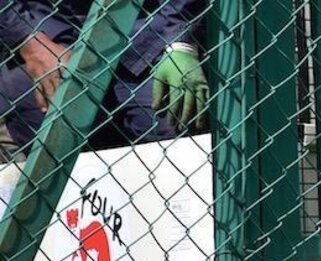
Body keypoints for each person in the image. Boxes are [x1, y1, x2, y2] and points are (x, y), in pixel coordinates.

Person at [1, 0, 209, 153]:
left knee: (173, 136)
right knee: (49, 141)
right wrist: (29, 43)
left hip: (146, 34)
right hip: (48, 31)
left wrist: (181, 41)